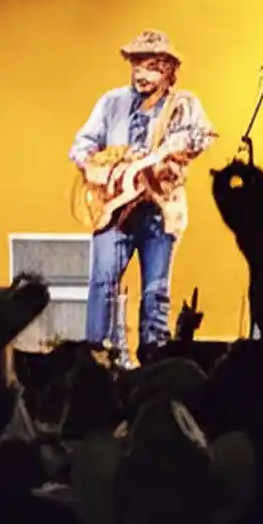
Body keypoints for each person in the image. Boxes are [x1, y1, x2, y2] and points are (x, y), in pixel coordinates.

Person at [69, 30, 216, 361]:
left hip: (157, 209)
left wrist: (166, 154)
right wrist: (96, 167)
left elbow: (200, 138)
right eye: (136, 65)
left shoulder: (183, 105)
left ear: (167, 70)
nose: (140, 74)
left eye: (149, 67)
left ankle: (153, 358)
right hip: (115, 209)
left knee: (155, 289)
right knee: (102, 282)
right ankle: (97, 357)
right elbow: (82, 144)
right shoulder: (111, 102)